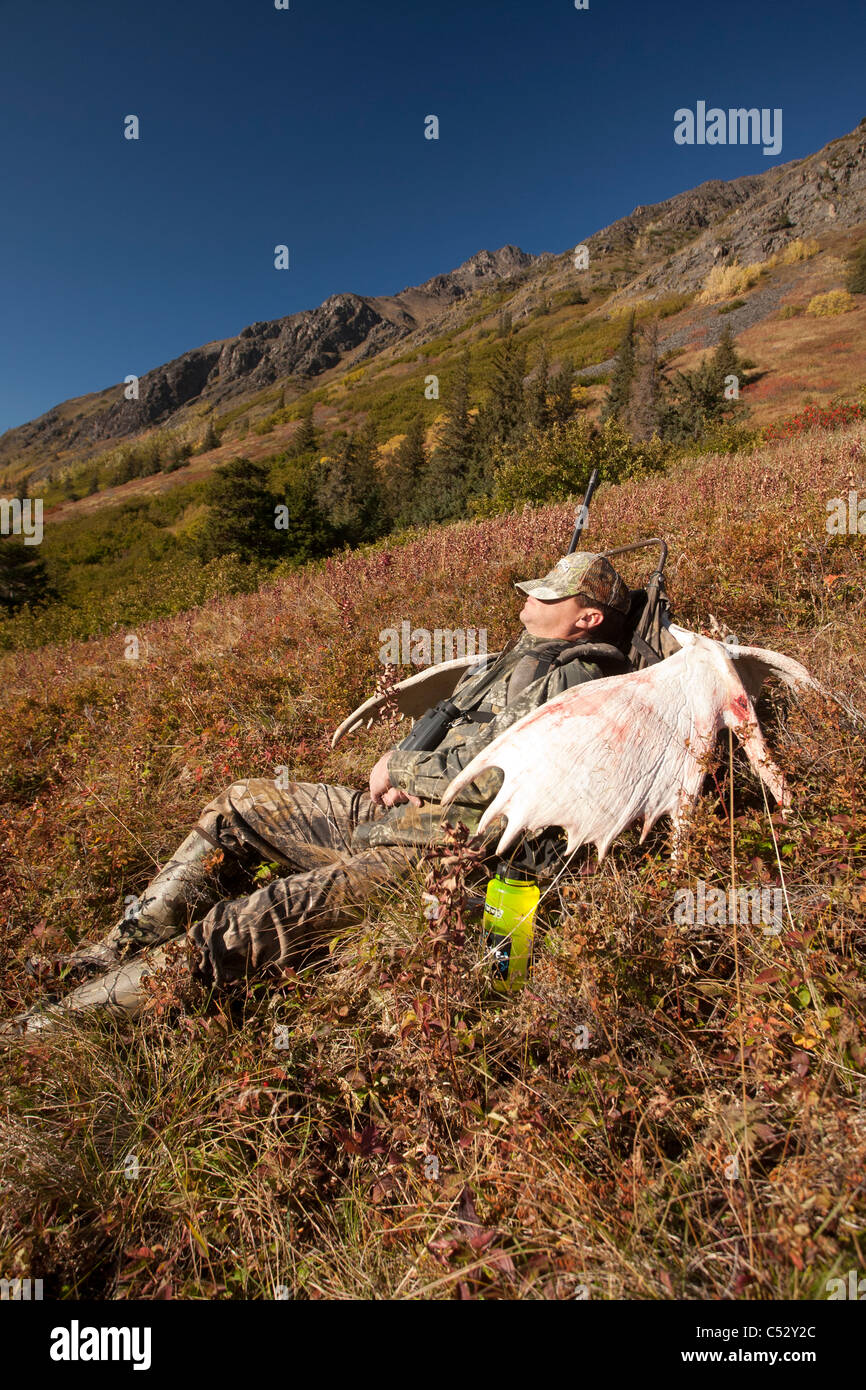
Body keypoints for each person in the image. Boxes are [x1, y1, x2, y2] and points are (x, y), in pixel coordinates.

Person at [19, 553, 631, 1029]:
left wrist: (402, 770)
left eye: (551, 592)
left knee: (238, 926)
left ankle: (53, 1031)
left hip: (435, 857)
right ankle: (114, 951)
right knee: (242, 803)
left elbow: (501, 776)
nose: (530, 595)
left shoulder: (580, 683)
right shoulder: (523, 656)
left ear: (588, 619)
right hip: (394, 818)